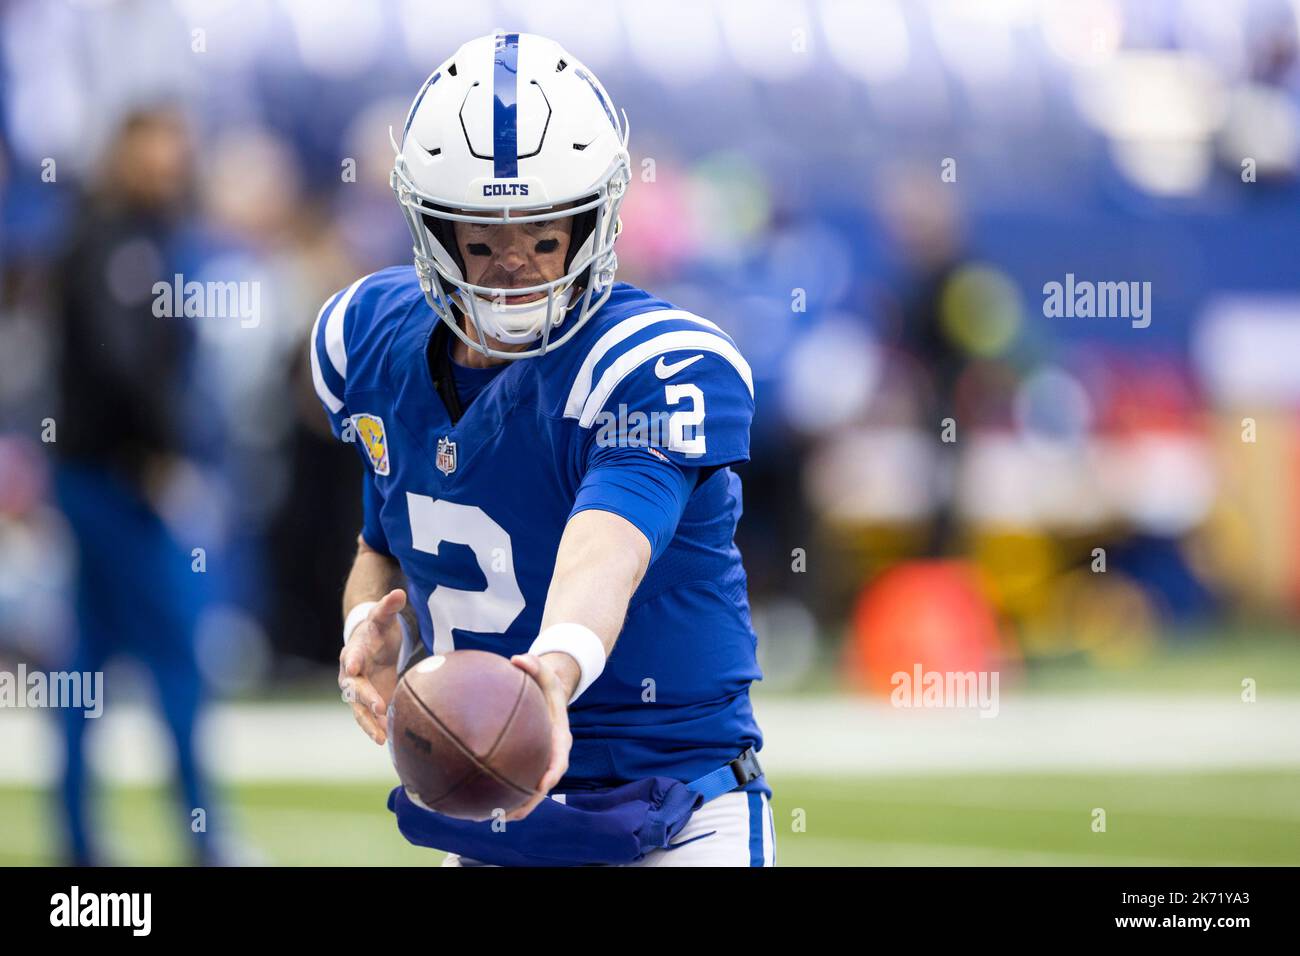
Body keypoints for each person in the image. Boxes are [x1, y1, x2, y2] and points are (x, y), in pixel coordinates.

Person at [318, 33, 773, 866]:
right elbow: (379, 542)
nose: (514, 268)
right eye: (483, 242)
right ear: (434, 234)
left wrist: (551, 676)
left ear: (593, 222)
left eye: (544, 236)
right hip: (490, 808)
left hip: (671, 802)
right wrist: (366, 622)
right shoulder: (370, 344)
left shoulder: (650, 364)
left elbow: (608, 547)